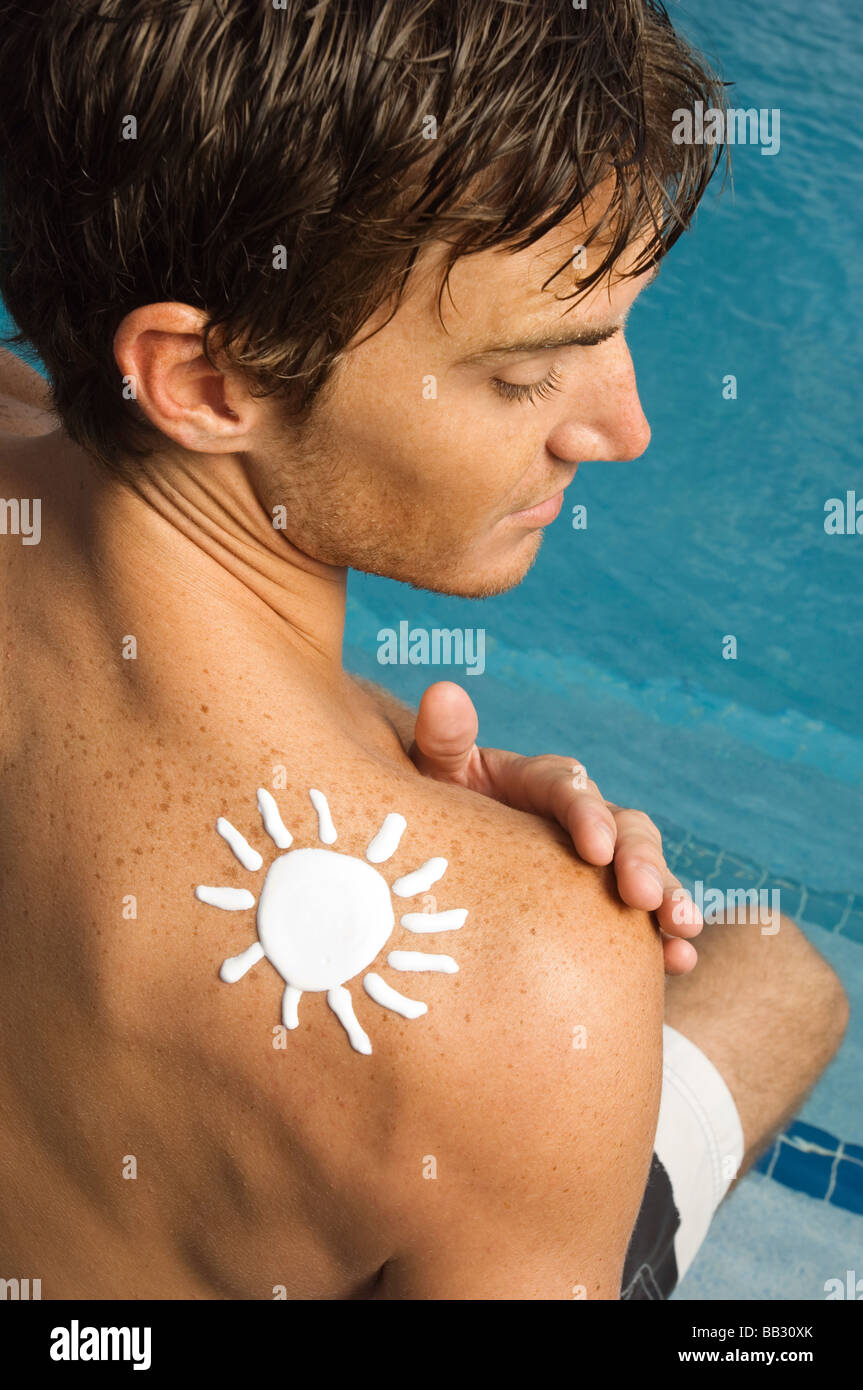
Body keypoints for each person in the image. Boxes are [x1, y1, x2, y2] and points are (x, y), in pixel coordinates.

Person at [0, 0, 847, 1300]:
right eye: (526, 375)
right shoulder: (532, 987)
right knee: (783, 976)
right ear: (205, 380)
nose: (623, 429)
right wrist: (529, 910)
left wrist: (370, 743)